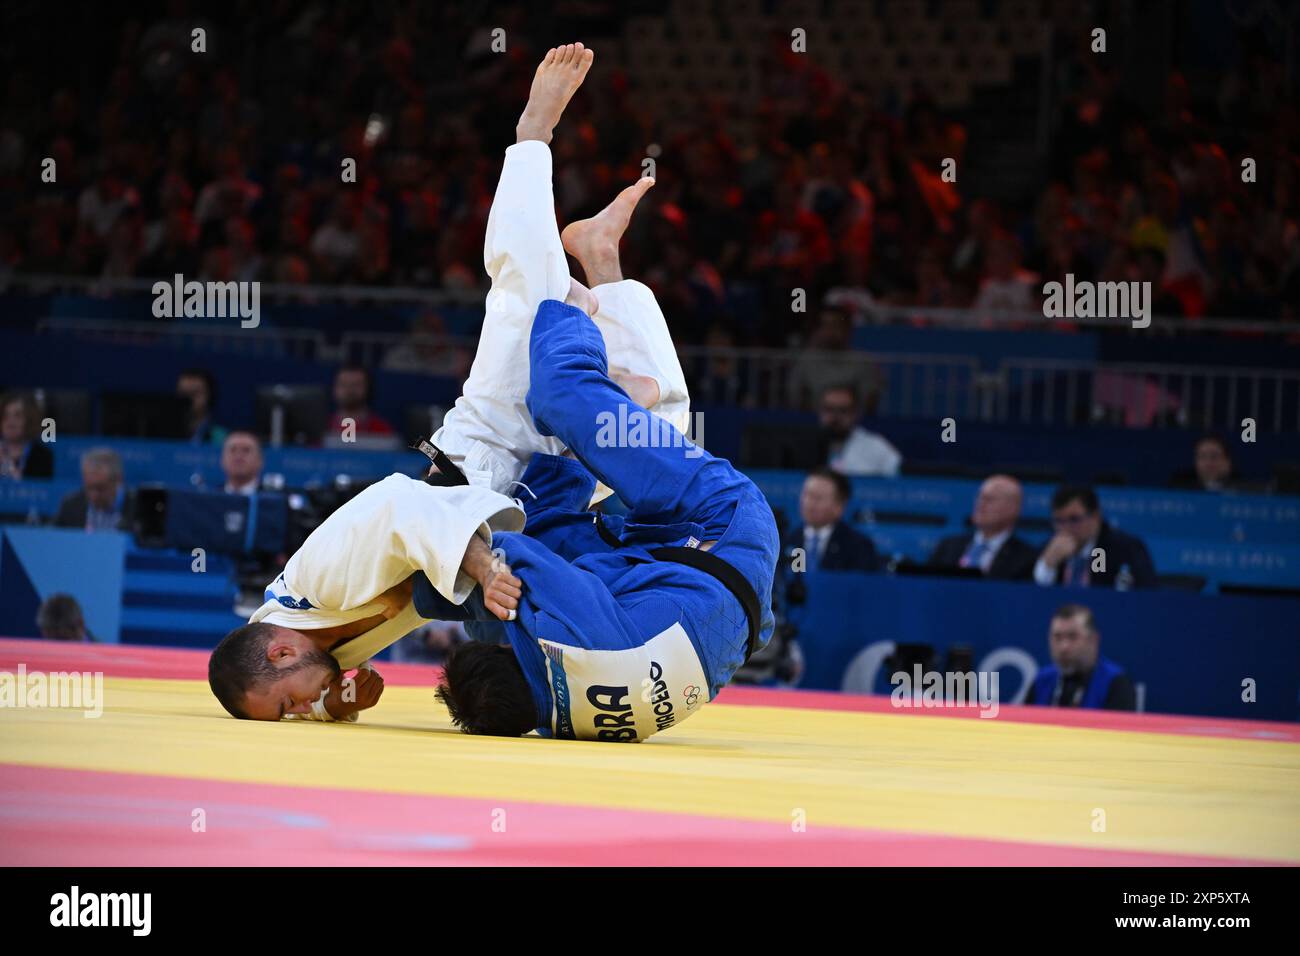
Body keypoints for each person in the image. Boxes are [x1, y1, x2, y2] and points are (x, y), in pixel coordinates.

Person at [208, 43, 687, 723]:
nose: (297, 713)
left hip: (481, 451)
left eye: (288, 704)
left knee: (531, 293)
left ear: (282, 655)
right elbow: (360, 632)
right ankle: (603, 257)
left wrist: (488, 570)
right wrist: (342, 695)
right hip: (530, 495)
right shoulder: (294, 638)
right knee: (664, 444)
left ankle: (532, 134)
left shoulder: (314, 582)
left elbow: (404, 511)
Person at [1034, 484, 1156, 590]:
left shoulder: (1121, 548)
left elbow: (1144, 592)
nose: (1066, 528)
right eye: (1059, 521)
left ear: (1096, 516)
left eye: (1074, 519)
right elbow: (1032, 597)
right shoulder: (1048, 548)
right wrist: (1047, 566)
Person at [1023, 604, 1136, 710]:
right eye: (1057, 637)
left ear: (1093, 640)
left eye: (1073, 637)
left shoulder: (1115, 683)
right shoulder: (1042, 680)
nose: (1064, 647)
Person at [928, 474, 1038, 580]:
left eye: (990, 499)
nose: (980, 504)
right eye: (979, 497)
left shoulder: (1026, 559)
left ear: (1014, 508)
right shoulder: (947, 547)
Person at [784, 467, 879, 572]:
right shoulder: (787, 541)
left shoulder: (859, 547)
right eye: (806, 495)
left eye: (818, 498)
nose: (809, 503)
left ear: (839, 506)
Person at [818, 383, 901, 477]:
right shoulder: (804, 445)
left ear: (856, 413)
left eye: (843, 410)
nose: (835, 417)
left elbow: (897, 483)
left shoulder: (877, 448)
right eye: (829, 409)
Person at [53, 448, 134, 532]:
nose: (94, 495)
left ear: (118, 480)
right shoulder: (71, 505)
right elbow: (54, 538)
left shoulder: (136, 508)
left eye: (100, 488)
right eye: (88, 488)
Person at [323, 365, 402, 450]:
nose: (349, 390)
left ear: (368, 389)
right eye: (343, 384)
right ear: (334, 389)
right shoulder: (322, 426)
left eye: (356, 385)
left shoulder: (382, 430)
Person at [0, 390, 54, 480]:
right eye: (5, 416)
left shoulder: (43, 456)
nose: (10, 422)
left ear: (29, 420)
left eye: (17, 416)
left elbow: (43, 490)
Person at [1168, 433, 1240, 492]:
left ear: (1227, 462)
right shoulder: (1179, 487)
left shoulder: (1243, 489)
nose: (1208, 463)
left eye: (1214, 456)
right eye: (1202, 457)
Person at [176, 369, 228, 446]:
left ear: (210, 396)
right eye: (183, 394)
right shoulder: (164, 433)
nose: (188, 399)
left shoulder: (221, 437)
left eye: (195, 393)